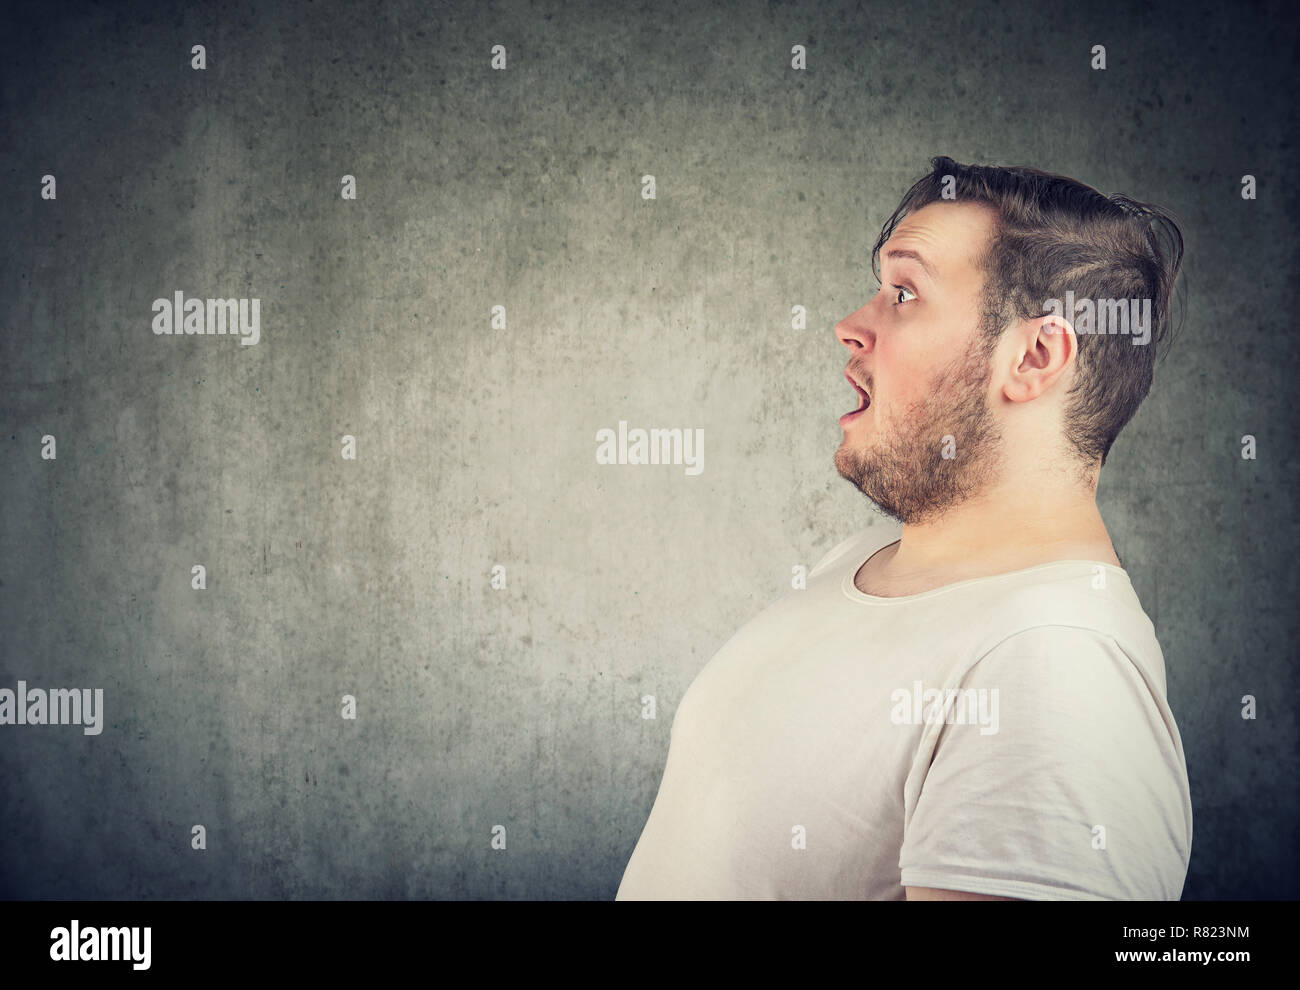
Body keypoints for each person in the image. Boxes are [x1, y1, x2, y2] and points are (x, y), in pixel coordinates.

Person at [615, 156, 1192, 900]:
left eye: (904, 293)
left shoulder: (1054, 667)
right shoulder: (855, 563)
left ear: (1034, 357)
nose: (850, 326)